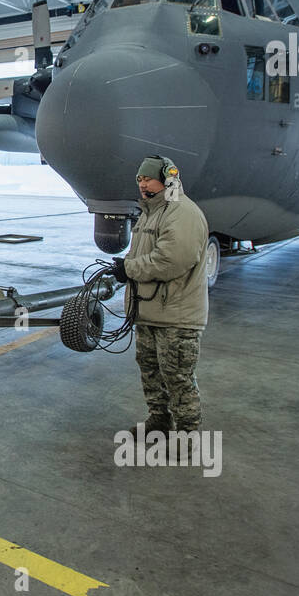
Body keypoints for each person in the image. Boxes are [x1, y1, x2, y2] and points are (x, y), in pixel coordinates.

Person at [111, 155, 210, 434]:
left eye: (149, 179)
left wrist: (129, 269)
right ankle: (159, 420)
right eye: (140, 179)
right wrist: (125, 265)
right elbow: (143, 253)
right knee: (151, 370)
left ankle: (188, 433)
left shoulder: (182, 212)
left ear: (167, 179)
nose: (143, 184)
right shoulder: (151, 211)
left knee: (177, 377)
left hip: (176, 316)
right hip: (150, 311)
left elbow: (170, 261)